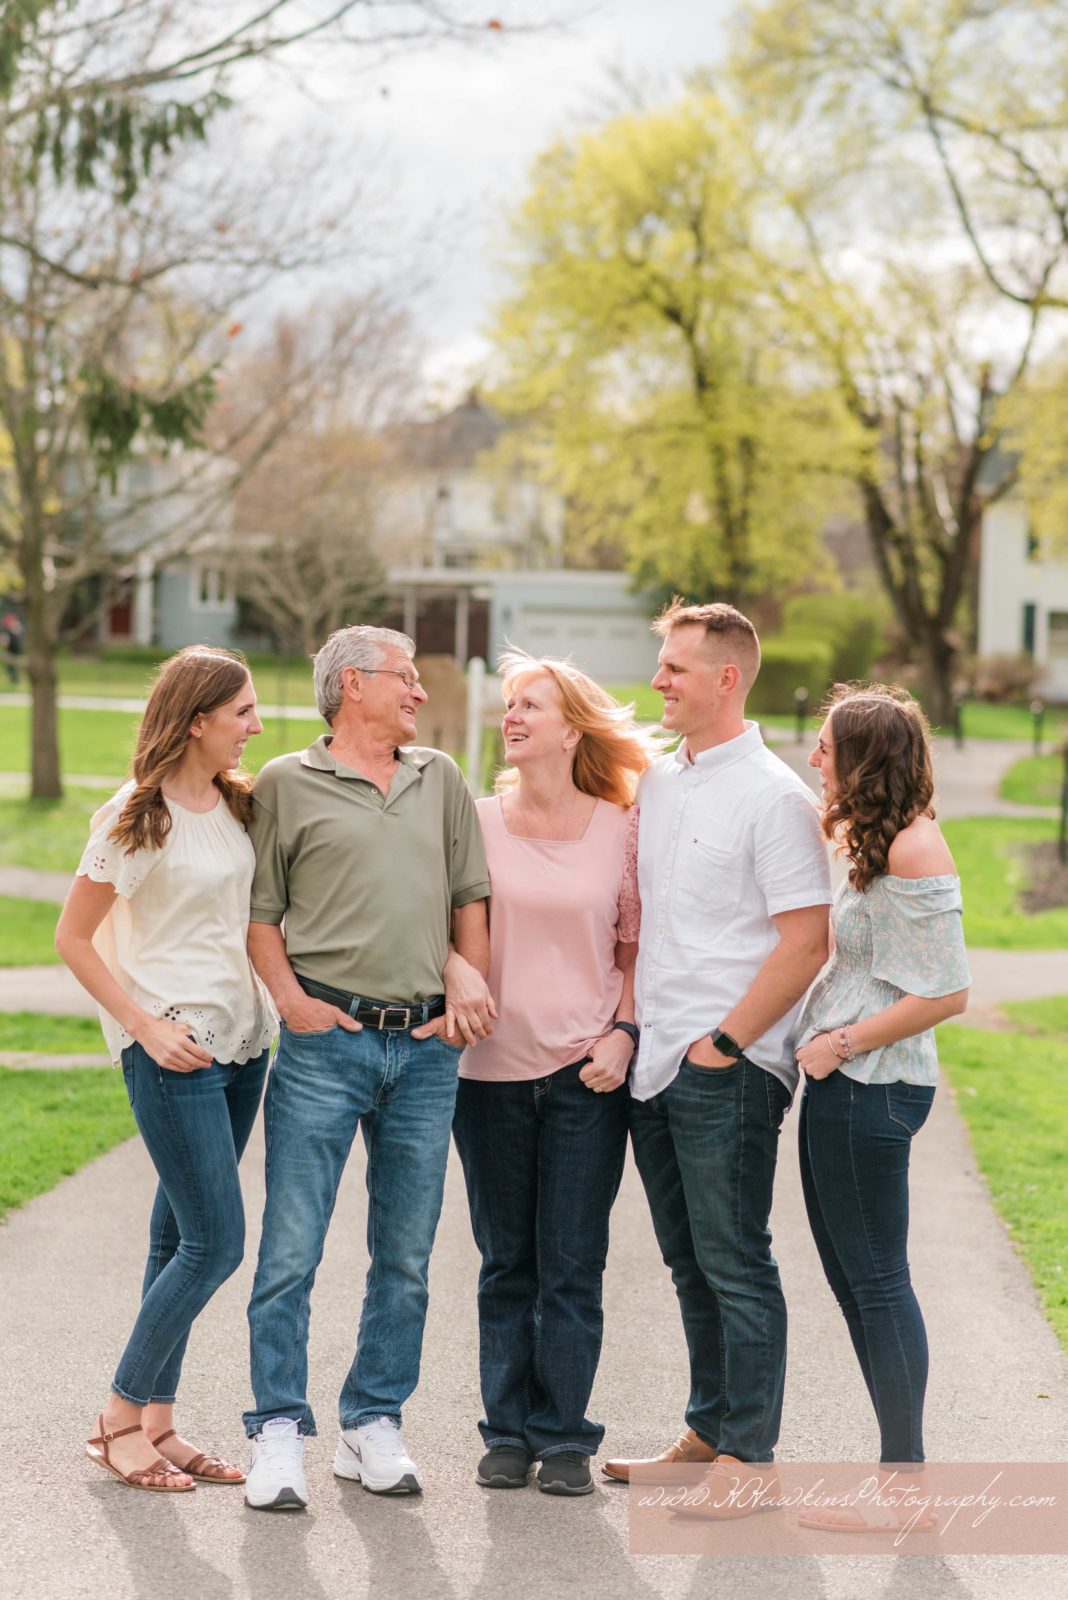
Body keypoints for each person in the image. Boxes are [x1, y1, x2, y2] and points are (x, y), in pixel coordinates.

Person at [241, 624, 492, 1512]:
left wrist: (468, 973)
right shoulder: (285, 784)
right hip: (324, 1045)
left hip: (426, 1052)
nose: (420, 694)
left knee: (407, 1255)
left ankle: (372, 1421)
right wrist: (292, 1004)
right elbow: (262, 914)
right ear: (353, 685)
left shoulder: (442, 778)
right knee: (291, 1250)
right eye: (406, 679)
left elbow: (471, 896)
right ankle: (277, 1430)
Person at [604, 599, 832, 1510]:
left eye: (674, 668)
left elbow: (805, 941)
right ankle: (708, 1432)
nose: (656, 680)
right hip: (656, 1062)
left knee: (736, 1257)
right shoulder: (659, 781)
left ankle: (751, 1459)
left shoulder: (776, 796)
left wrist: (727, 1044)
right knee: (687, 1260)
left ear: (726, 679)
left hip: (727, 1069)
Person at [55, 646, 276, 1494]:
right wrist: (144, 1027)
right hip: (172, 1050)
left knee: (176, 1237)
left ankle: (159, 1422)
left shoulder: (240, 804)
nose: (256, 726)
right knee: (216, 1241)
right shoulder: (132, 816)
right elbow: (73, 939)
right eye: (243, 713)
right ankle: (116, 1420)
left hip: (244, 1046)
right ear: (197, 722)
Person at [453, 652, 655, 1498]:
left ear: (573, 727)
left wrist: (626, 1031)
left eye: (533, 704)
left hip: (586, 1074)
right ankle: (507, 1431)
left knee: (572, 1261)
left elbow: (636, 946)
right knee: (507, 1262)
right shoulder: (471, 816)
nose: (515, 716)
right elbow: (438, 918)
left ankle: (565, 1436)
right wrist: (455, 970)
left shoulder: (623, 824)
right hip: (487, 1071)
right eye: (511, 704)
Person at [792, 684, 969, 1534]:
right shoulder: (875, 840)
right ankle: (897, 1482)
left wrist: (842, 1043)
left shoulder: (914, 846)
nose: (815, 757)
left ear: (865, 757)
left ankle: (904, 1491)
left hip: (872, 1088)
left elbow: (947, 991)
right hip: (842, 1088)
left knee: (878, 1283)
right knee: (854, 1282)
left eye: (827, 745)